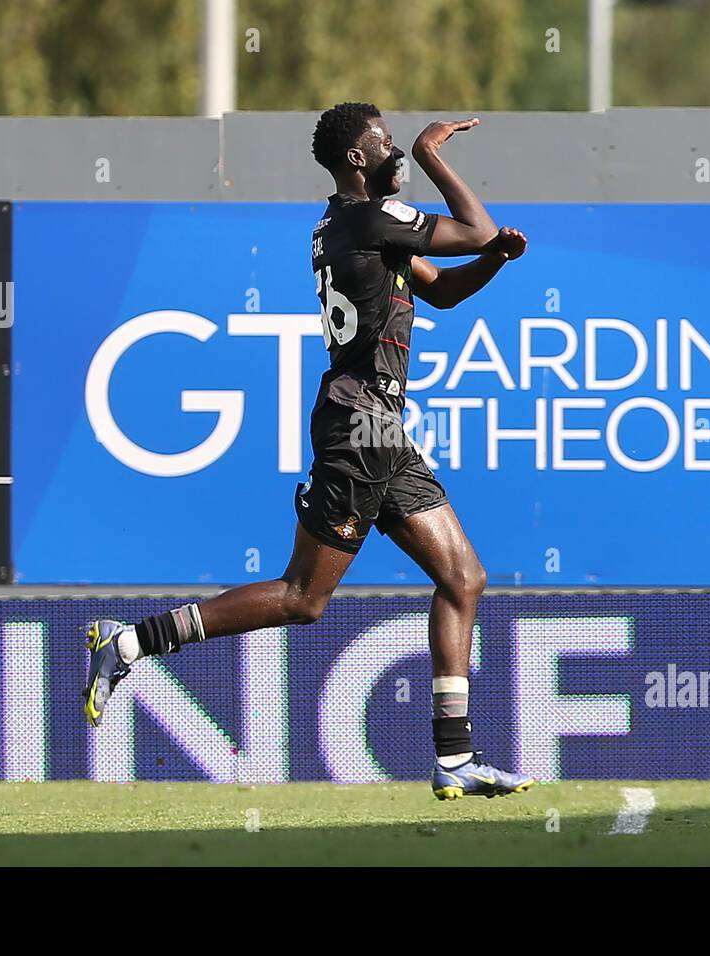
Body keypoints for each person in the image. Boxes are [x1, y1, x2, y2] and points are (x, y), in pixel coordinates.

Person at [84, 102, 531, 800]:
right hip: (359, 426)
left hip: (382, 430)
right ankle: (131, 643)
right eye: (387, 144)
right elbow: (472, 227)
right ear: (359, 157)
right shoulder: (366, 218)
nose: (396, 154)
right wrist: (435, 151)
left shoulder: (353, 225)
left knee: (463, 579)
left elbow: (441, 292)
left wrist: (495, 262)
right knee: (303, 598)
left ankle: (455, 759)